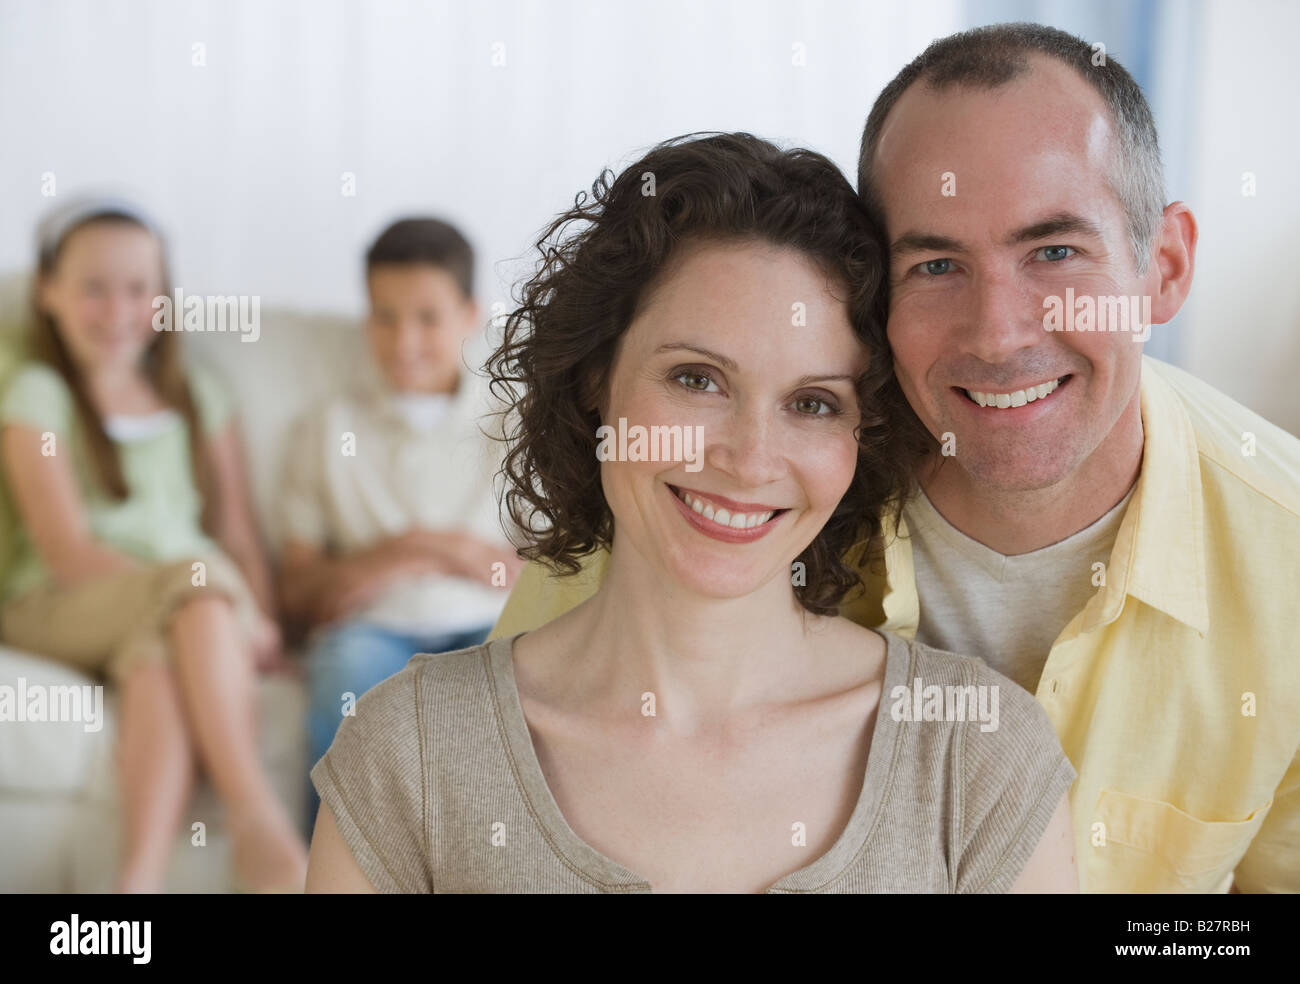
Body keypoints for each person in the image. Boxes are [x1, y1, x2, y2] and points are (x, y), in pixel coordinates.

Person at [489, 24, 1300, 893]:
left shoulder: (1284, 559)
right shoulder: (704, 505)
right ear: (875, 296)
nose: (998, 333)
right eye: (938, 264)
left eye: (1055, 252)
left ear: (1164, 266)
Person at [305, 132, 1078, 893]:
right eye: (697, 379)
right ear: (595, 382)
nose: (748, 459)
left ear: (862, 434)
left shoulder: (976, 753)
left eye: (812, 403)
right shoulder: (407, 753)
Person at [0, 197, 307, 892]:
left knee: (162, 657)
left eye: (138, 289)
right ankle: (257, 821)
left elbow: (236, 530)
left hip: (183, 607)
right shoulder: (37, 393)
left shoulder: (195, 391)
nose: (117, 310)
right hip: (60, 600)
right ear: (49, 293)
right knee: (196, 590)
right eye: (93, 288)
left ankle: (131, 894)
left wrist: (261, 616)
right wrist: (215, 594)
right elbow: (67, 550)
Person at [277, 217, 522, 837]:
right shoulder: (327, 428)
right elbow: (299, 597)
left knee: (525, 686)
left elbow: (543, 574)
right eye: (383, 316)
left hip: (491, 622)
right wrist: (418, 550)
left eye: (427, 318)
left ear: (470, 314)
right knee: (342, 673)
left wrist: (418, 555)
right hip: (374, 633)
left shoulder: (519, 420)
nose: (403, 340)